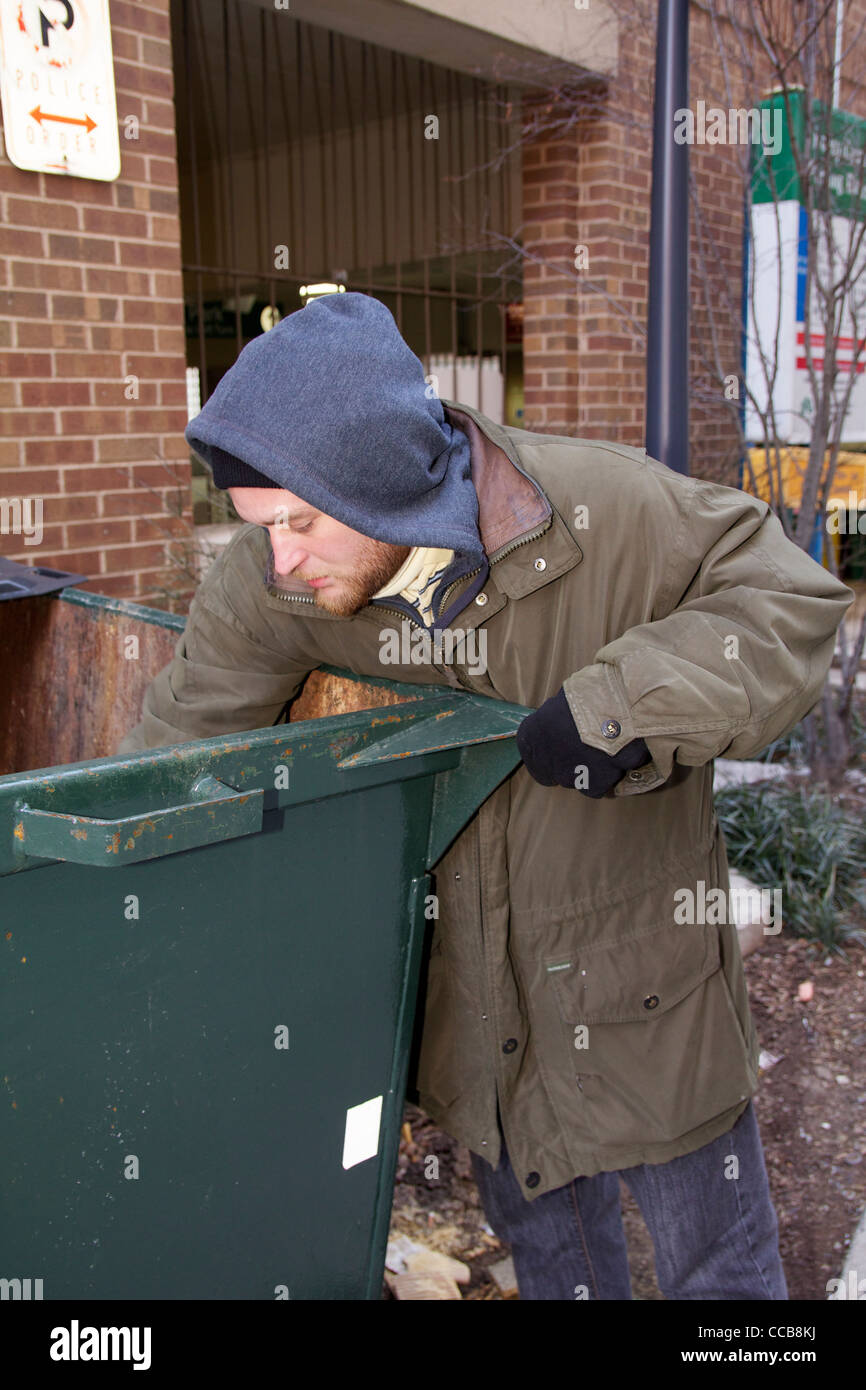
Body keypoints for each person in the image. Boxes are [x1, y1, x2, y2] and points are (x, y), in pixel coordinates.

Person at [117, 291, 853, 1299]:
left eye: (297, 520)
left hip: (642, 995)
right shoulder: (278, 584)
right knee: (557, 1266)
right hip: (476, 1020)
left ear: (377, 486)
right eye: (256, 523)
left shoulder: (606, 514)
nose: (277, 552)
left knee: (716, 1274)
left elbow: (785, 600)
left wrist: (621, 704)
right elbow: (180, 745)